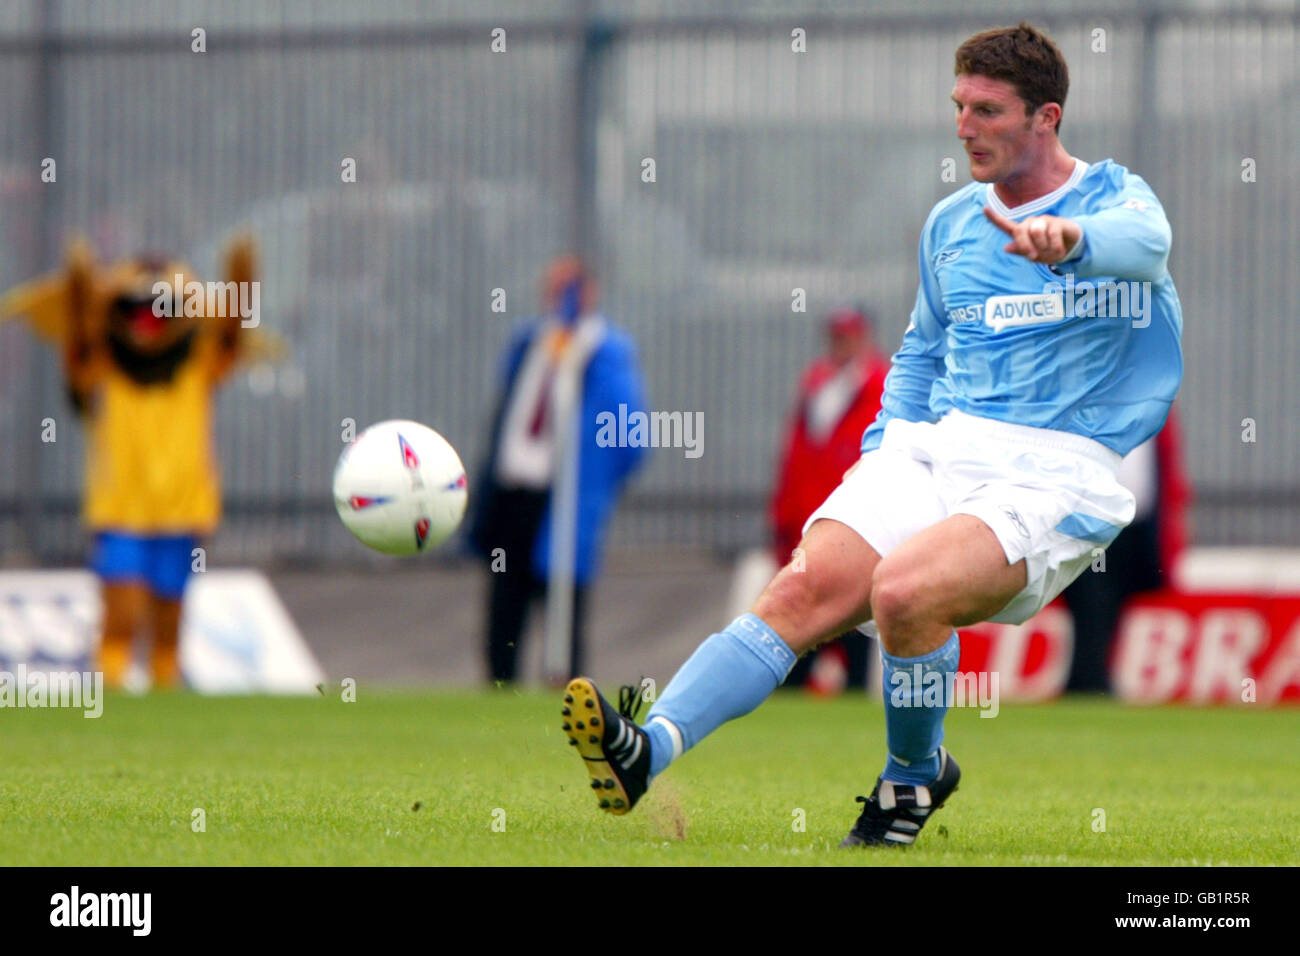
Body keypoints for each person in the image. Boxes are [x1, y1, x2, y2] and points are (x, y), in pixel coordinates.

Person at [559, 22, 1183, 843]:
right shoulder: (953, 225)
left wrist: (1071, 241)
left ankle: (911, 779)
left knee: (904, 594)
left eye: (988, 110)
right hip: (940, 448)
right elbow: (921, 350)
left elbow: (1150, 245)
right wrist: (885, 450)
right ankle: (651, 748)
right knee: (797, 592)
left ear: (1046, 117)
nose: (964, 127)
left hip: (1055, 473)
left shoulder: (1111, 199)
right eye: (959, 106)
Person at [1, 234, 259, 689]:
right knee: (121, 610)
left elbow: (232, 337)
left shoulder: (198, 358)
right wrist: (82, 294)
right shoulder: (105, 359)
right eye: (137, 309)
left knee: (169, 613)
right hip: (120, 504)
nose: (147, 322)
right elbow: (79, 357)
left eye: (160, 310)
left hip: (182, 503)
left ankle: (165, 693)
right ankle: (111, 689)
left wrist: (241, 284)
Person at [467, 256, 647, 685]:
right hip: (513, 494)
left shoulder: (607, 352)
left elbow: (629, 436)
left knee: (563, 605)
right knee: (504, 603)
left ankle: (567, 695)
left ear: (589, 291)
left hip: (563, 498)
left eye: (568, 287)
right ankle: (499, 688)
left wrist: (593, 487)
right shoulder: (530, 341)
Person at [770, 307, 888, 692]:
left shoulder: (882, 384)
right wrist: (782, 517)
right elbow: (796, 456)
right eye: (837, 335)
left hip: (853, 522)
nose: (842, 343)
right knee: (800, 631)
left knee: (852, 627)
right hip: (808, 522)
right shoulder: (817, 383)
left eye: (849, 334)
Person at [1063, 407, 1192, 692]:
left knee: (1116, 602)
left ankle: (1094, 674)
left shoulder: (1156, 410)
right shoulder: (1092, 402)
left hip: (1137, 526)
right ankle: (1087, 679)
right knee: (1092, 602)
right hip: (1091, 522)